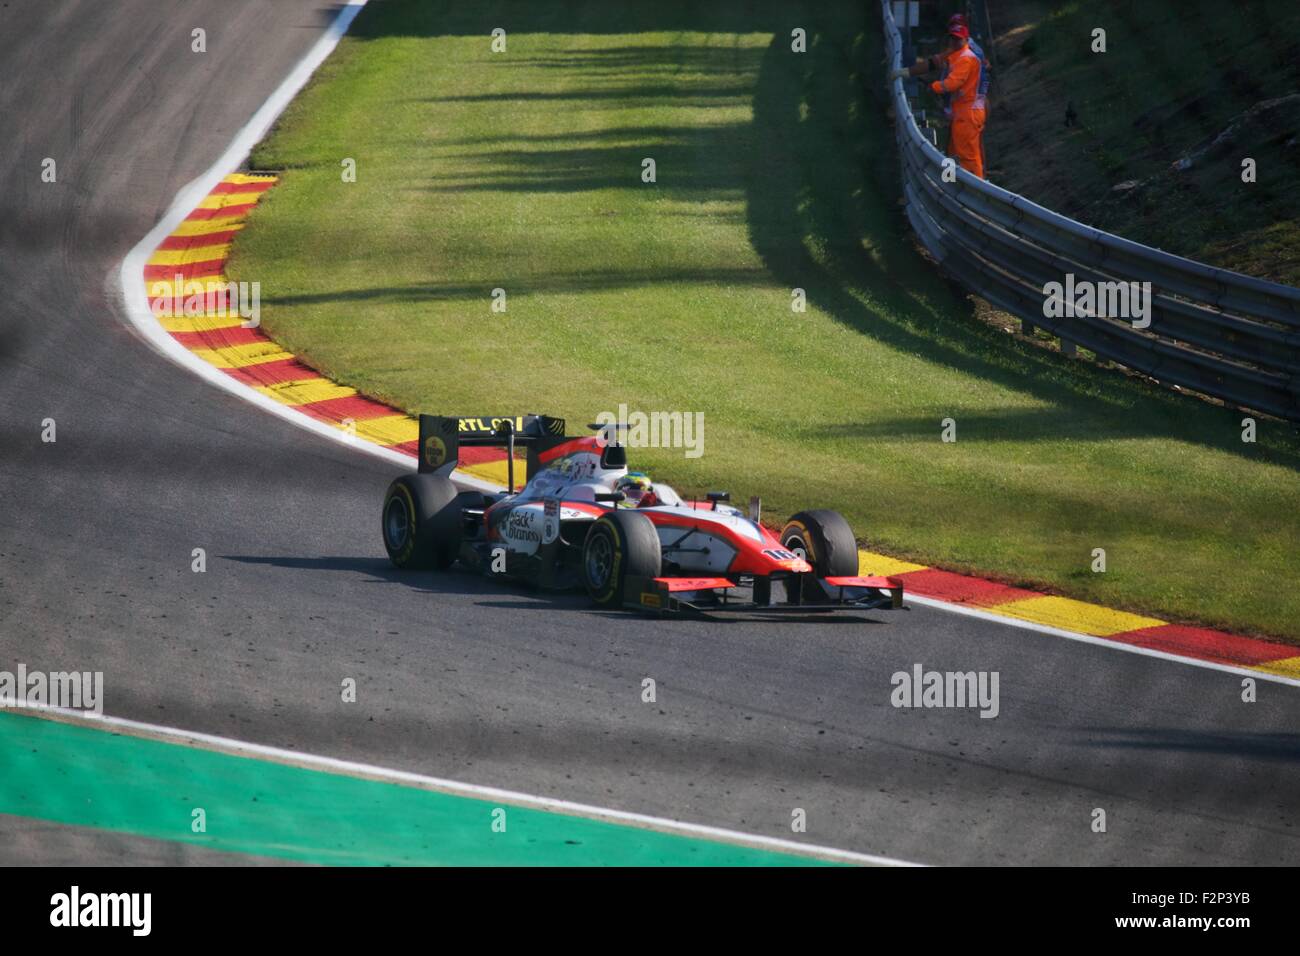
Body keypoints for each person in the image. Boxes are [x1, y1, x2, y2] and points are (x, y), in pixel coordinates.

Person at [891, 14, 990, 178]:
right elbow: (934, 63)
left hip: (970, 109)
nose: (953, 40)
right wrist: (907, 72)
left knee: (969, 152)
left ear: (965, 34)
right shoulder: (960, 50)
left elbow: (952, 81)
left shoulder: (967, 55)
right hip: (963, 107)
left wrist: (933, 86)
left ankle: (978, 186)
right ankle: (951, 181)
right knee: (954, 146)